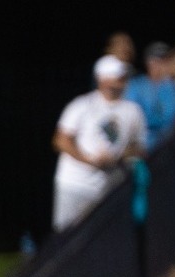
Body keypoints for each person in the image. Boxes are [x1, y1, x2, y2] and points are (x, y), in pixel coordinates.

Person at [54, 56, 147, 232]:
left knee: (100, 236)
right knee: (66, 235)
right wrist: (89, 160)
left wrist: (117, 158)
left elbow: (139, 147)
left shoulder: (133, 111)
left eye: (124, 76)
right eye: (118, 76)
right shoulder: (82, 105)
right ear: (102, 79)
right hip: (75, 183)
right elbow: (61, 140)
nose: (123, 81)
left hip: (107, 186)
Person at [127, 42, 175, 142]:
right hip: (143, 143)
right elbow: (133, 117)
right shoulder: (135, 86)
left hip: (170, 144)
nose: (162, 65)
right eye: (158, 61)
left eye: (166, 61)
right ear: (148, 63)